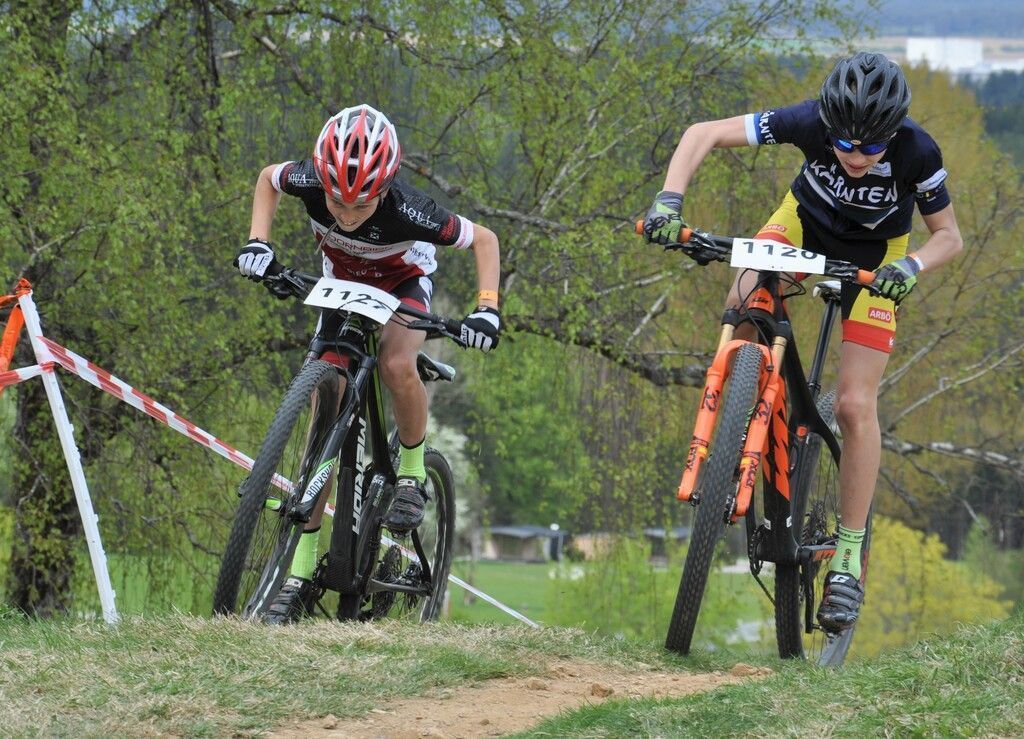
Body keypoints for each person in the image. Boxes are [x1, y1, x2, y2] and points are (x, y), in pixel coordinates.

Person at [643, 52, 963, 632]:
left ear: (895, 135)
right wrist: (670, 199)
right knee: (743, 293)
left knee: (852, 405)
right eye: (845, 144)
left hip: (877, 260)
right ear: (827, 126)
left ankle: (846, 557)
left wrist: (912, 267)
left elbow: (949, 237)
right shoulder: (808, 120)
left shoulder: (919, 151)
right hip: (800, 227)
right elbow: (703, 133)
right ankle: (745, 406)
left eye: (873, 147)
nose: (857, 157)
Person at [235, 104, 501, 624]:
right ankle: (300, 574)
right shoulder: (310, 179)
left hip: (404, 285)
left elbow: (485, 240)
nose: (347, 213)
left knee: (397, 364)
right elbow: (268, 179)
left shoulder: (413, 210)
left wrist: (487, 309)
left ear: (386, 188)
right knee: (323, 411)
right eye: (336, 200)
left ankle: (411, 472)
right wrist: (257, 242)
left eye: (362, 203)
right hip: (343, 287)